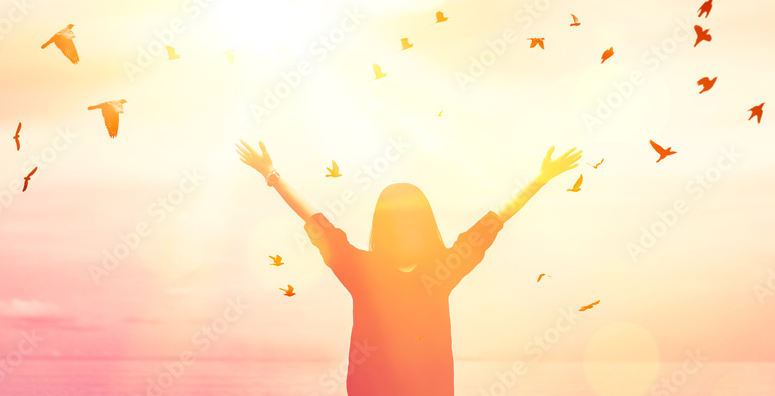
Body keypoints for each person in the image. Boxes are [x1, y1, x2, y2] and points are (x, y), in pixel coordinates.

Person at [236, 140, 582, 396]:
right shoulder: (436, 269)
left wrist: (541, 178)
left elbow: (493, 222)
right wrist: (272, 175)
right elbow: (317, 222)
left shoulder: (376, 269)